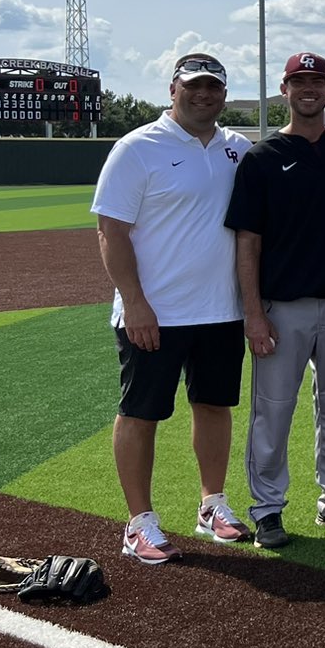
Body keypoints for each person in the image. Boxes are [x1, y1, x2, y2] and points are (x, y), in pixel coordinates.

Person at [90, 51, 251, 565]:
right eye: (193, 85)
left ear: (223, 94)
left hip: (221, 309)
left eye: (213, 87)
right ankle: (139, 522)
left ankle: (211, 504)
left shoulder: (238, 147)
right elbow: (111, 231)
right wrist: (135, 302)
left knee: (215, 406)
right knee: (140, 413)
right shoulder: (137, 148)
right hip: (154, 313)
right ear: (173, 89)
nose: (203, 94)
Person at [225, 51, 325, 548]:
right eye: (299, 81)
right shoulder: (263, 157)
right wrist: (253, 313)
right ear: (285, 89)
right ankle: (267, 508)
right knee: (273, 409)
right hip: (283, 304)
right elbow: (247, 241)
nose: (309, 88)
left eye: (317, 81)